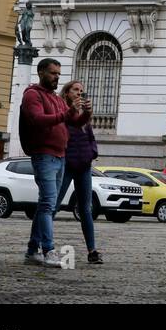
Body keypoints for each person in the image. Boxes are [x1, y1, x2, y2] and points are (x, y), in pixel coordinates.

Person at [19, 58, 87, 268]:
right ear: (40, 73)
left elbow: (73, 122)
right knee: (48, 204)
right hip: (44, 155)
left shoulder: (56, 98)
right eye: (52, 73)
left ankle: (32, 251)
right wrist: (66, 113)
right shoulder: (32, 95)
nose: (57, 77)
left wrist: (87, 113)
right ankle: (48, 250)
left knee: (45, 206)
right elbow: (37, 119)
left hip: (60, 156)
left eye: (58, 73)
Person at [58, 80, 103, 264]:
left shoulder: (83, 115)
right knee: (54, 204)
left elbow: (90, 136)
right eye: (75, 90)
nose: (79, 93)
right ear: (67, 93)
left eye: (81, 91)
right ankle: (41, 245)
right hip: (67, 165)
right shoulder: (62, 112)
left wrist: (92, 152)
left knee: (86, 209)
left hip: (84, 166)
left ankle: (92, 251)